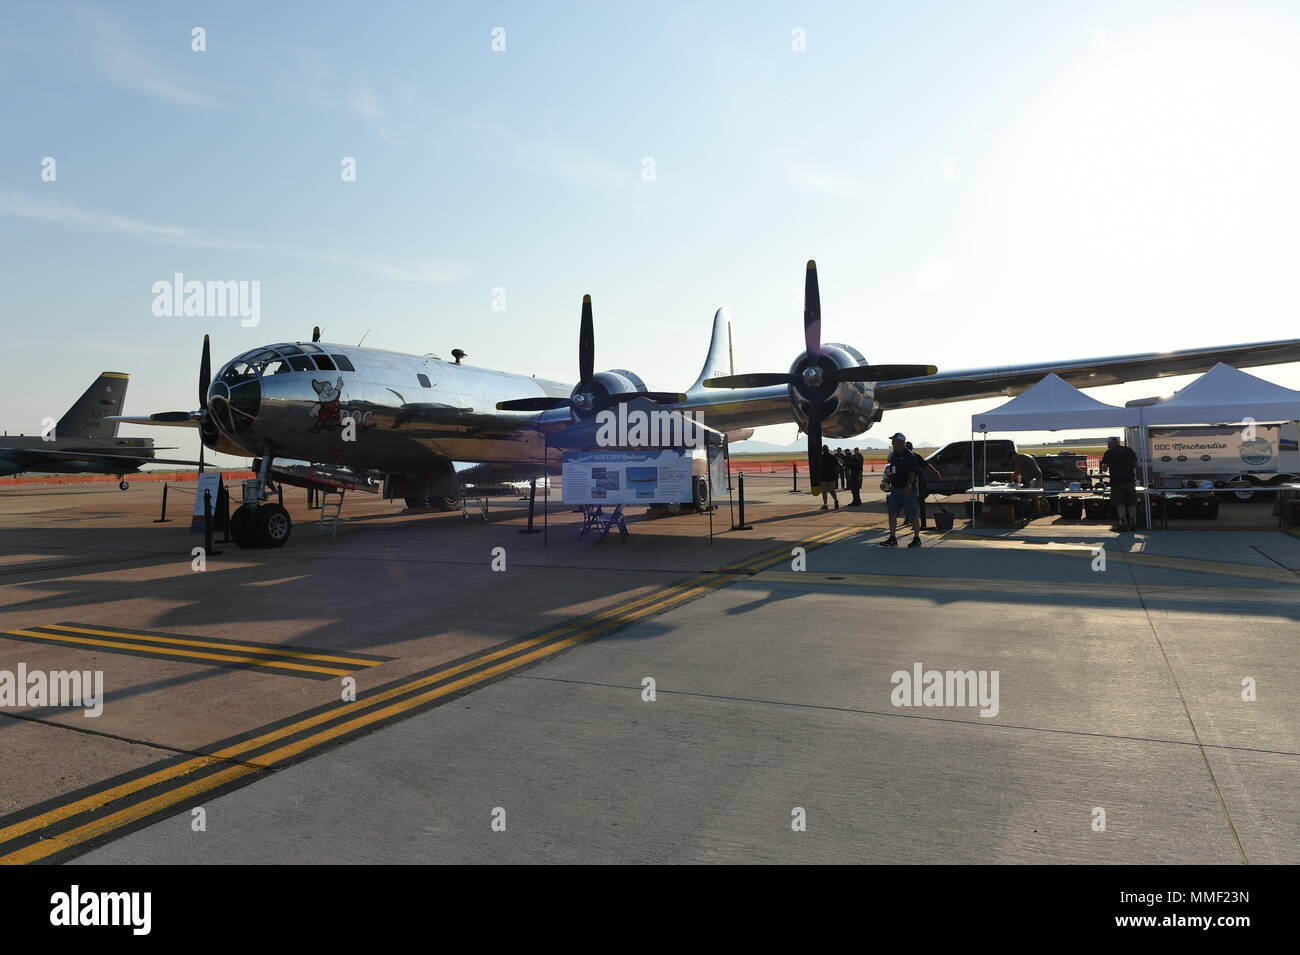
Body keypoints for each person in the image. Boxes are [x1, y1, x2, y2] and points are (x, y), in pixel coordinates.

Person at [880, 433, 922, 547]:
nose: (892, 443)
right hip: (895, 489)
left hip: (906, 489)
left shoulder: (909, 456)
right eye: (892, 441)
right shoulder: (894, 454)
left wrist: (908, 486)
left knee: (912, 515)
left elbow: (912, 472)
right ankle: (892, 538)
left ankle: (917, 538)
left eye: (894, 441)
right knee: (892, 513)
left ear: (901, 442)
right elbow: (893, 469)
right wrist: (889, 478)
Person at [1100, 436, 1140, 530]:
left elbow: (1104, 468)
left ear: (1114, 442)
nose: (1108, 445)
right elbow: (1136, 465)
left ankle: (1123, 523)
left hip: (1116, 482)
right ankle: (1133, 522)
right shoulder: (1129, 450)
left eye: (1109, 443)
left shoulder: (1109, 452)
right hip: (1130, 481)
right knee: (1131, 503)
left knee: (1120, 503)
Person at [905, 441, 941, 529]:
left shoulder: (915, 456)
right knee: (908, 502)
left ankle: (912, 521)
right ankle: (910, 519)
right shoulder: (903, 456)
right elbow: (926, 465)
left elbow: (926, 465)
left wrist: (935, 472)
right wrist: (935, 472)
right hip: (904, 484)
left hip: (913, 483)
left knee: (911, 502)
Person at [818, 445, 840, 510]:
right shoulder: (832, 457)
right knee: (831, 490)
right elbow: (837, 466)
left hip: (824, 476)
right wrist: (836, 474)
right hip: (831, 476)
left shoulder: (820, 457)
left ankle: (825, 504)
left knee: (825, 491)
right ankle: (835, 500)